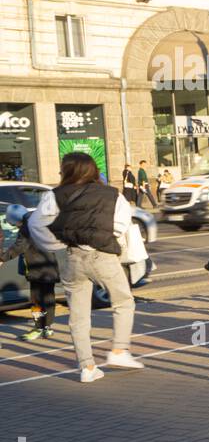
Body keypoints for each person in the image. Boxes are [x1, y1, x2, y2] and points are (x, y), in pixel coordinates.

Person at [27, 153, 143, 383]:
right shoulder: (111, 194)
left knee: (78, 315)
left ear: (67, 170)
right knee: (123, 301)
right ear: (92, 170)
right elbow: (121, 223)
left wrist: (58, 244)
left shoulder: (54, 195)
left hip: (71, 257)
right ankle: (119, 351)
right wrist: (102, 238)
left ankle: (87, 367)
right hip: (102, 255)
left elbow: (36, 224)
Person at [1, 203, 60, 341]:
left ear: (16, 220)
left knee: (37, 301)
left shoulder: (26, 228)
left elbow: (19, 246)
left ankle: (38, 327)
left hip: (36, 269)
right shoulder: (38, 221)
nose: (15, 227)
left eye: (14, 224)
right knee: (49, 298)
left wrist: (2, 257)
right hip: (49, 266)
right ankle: (47, 327)